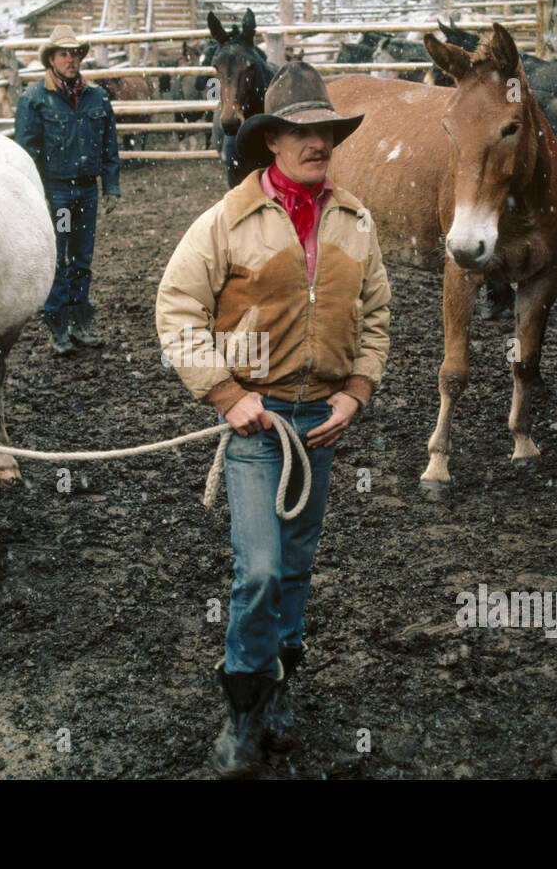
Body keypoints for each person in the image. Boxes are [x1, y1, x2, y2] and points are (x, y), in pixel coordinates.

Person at [155, 62, 391, 776]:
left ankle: (278, 690)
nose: (318, 144)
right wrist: (229, 396)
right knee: (259, 570)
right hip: (258, 428)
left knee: (295, 568)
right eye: (302, 132)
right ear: (272, 141)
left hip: (321, 422)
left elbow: (375, 316)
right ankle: (244, 709)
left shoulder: (355, 218)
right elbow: (177, 311)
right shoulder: (226, 220)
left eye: (326, 131)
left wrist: (356, 390)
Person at [15, 26, 121, 355]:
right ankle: (59, 328)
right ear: (51, 59)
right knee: (59, 259)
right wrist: (35, 195)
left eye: (75, 53)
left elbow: (109, 144)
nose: (71, 59)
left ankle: (81, 324)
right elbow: (27, 152)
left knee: (82, 259)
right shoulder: (34, 99)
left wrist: (111, 186)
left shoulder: (97, 96)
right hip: (57, 195)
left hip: (86, 192)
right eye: (64, 54)